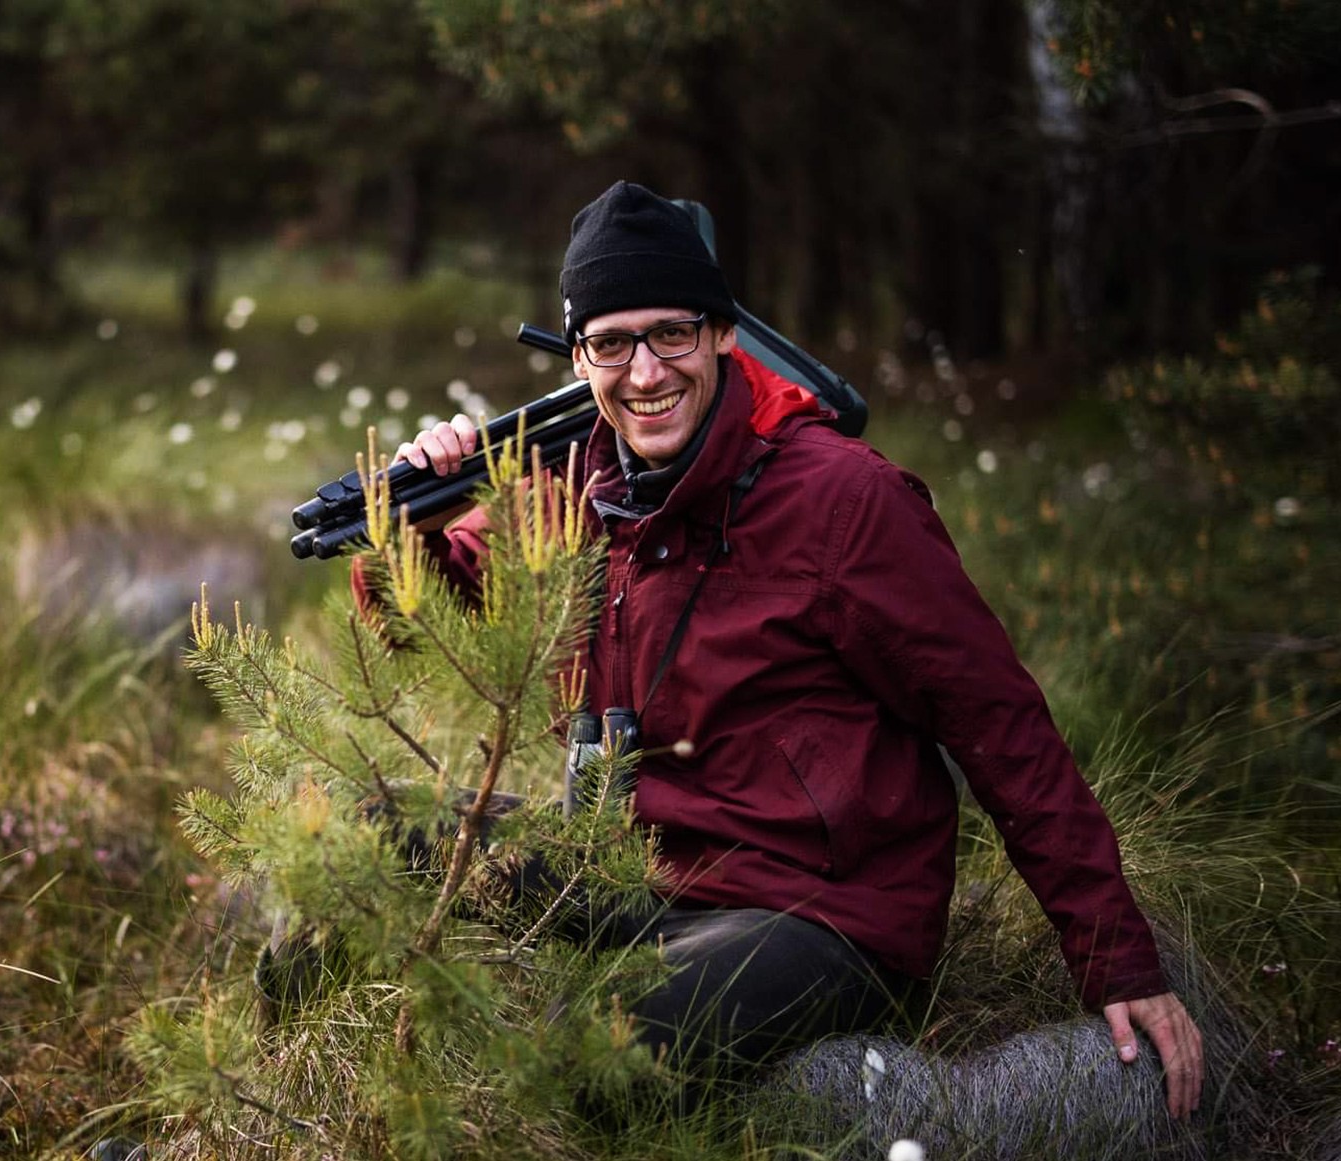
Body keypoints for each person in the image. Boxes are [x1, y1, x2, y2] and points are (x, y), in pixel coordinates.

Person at [369, 180, 1205, 1117]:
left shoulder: (845, 502)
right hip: (641, 872)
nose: (644, 373)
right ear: (579, 357)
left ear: (723, 332)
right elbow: (413, 626)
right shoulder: (574, 484)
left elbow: (998, 722)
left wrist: (1115, 956)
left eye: (671, 334)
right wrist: (412, 516)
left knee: (585, 1049)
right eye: (611, 342)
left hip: (819, 914)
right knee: (371, 824)